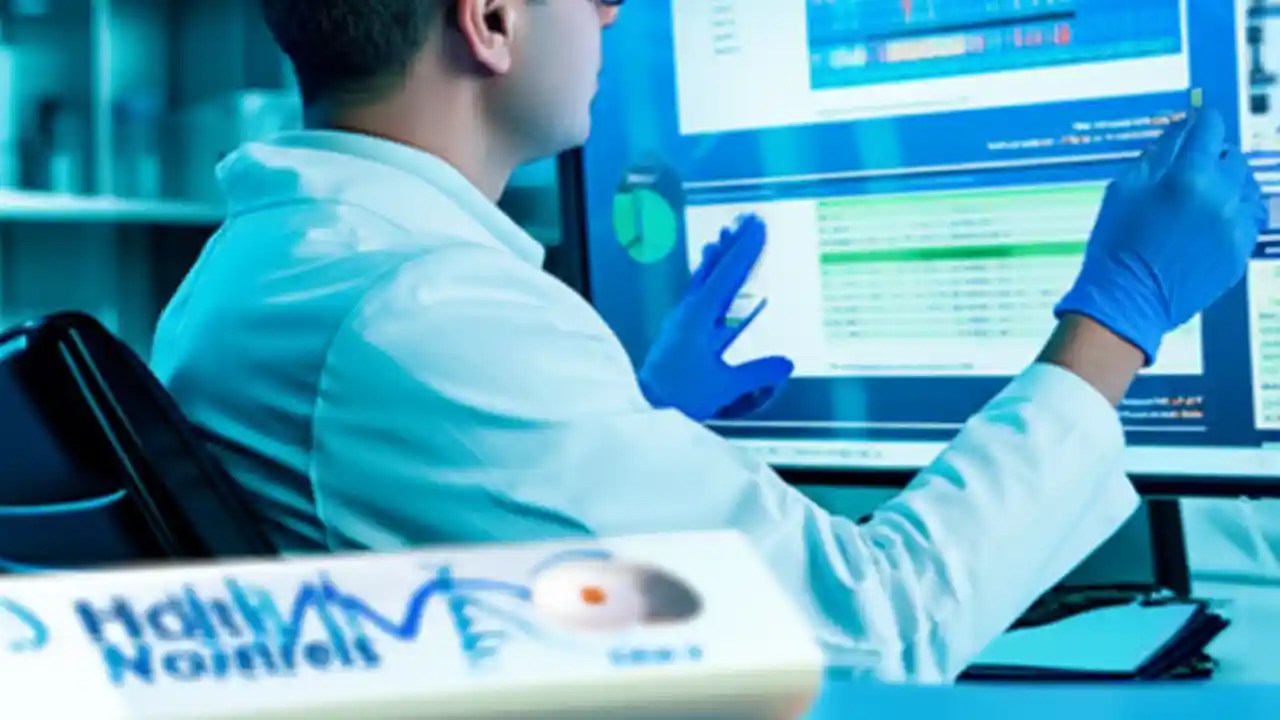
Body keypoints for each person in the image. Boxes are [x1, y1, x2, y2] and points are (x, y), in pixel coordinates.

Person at [148, 0, 1267, 682]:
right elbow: (871, 629)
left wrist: (641, 417)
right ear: (489, 19)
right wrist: (1120, 313)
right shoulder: (416, 314)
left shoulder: (267, 264)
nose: (616, 20)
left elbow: (440, 522)